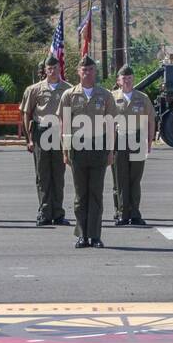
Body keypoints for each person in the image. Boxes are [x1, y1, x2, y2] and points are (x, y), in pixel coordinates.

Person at [60, 55, 116, 248]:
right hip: (78, 148)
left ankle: (95, 235)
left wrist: (110, 151)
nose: (87, 72)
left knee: (96, 193)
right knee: (80, 194)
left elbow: (110, 125)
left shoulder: (105, 95)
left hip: (99, 148)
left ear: (95, 71)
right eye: (84, 69)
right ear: (78, 72)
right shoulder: (69, 95)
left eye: (90, 69)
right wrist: (66, 150)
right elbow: (65, 124)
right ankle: (82, 235)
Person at [19, 56, 71, 226]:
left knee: (58, 174)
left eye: (55, 67)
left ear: (59, 68)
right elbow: (26, 113)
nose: (52, 71)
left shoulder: (68, 89)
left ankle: (58, 212)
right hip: (41, 132)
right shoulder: (34, 89)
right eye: (49, 68)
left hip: (60, 133)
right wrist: (28, 138)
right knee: (43, 174)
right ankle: (44, 211)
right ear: (45, 70)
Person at [111, 63, 154, 226]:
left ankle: (135, 212)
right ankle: (122, 212)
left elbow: (150, 121)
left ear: (133, 79)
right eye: (124, 78)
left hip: (137, 139)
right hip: (118, 139)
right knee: (120, 178)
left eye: (130, 78)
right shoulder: (112, 97)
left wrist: (149, 142)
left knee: (135, 179)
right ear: (119, 80)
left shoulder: (142, 98)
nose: (127, 80)